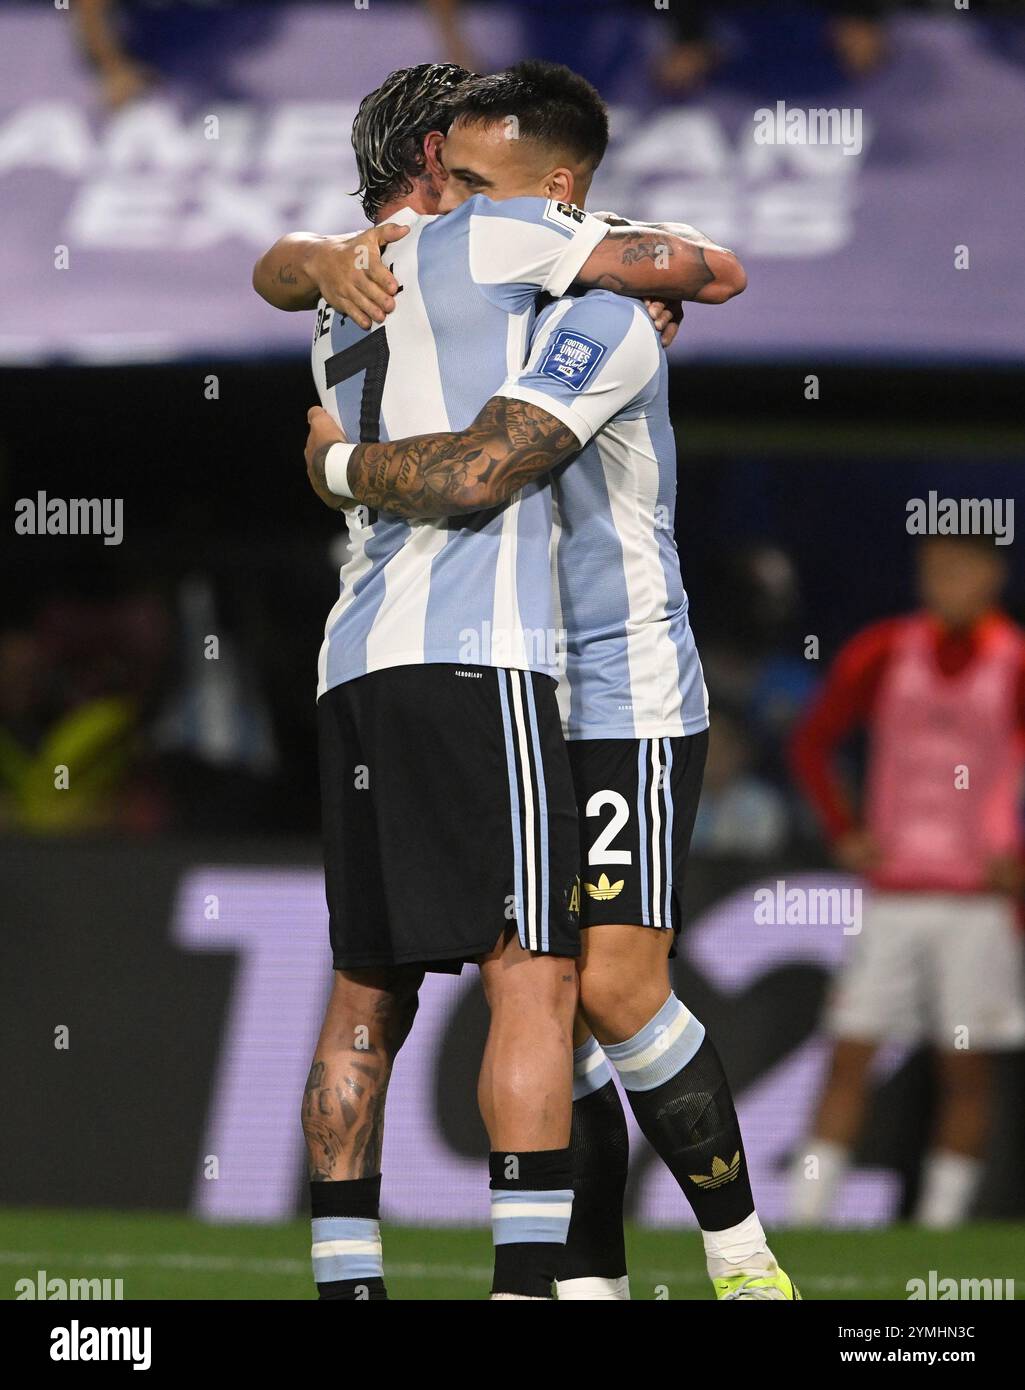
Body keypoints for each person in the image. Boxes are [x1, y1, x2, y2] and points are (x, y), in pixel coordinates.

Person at [301, 62, 798, 1301]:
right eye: (440, 180)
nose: (444, 204)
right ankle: (582, 1289)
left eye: (473, 184)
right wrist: (312, 261)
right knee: (552, 992)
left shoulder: (600, 314)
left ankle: (741, 1260)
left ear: (559, 197)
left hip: (613, 675)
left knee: (612, 984)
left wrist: (340, 463)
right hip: (506, 676)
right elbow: (304, 277)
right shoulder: (463, 290)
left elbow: (476, 470)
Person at [788, 534, 1025, 1228]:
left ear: (991, 574)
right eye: (931, 570)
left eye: (956, 568)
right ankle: (806, 1218)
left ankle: (939, 1230)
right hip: (891, 896)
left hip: (978, 905)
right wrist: (843, 828)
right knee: (849, 1051)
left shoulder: (1012, 661)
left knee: (965, 1070)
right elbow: (811, 739)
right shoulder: (885, 649)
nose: (941, 582)